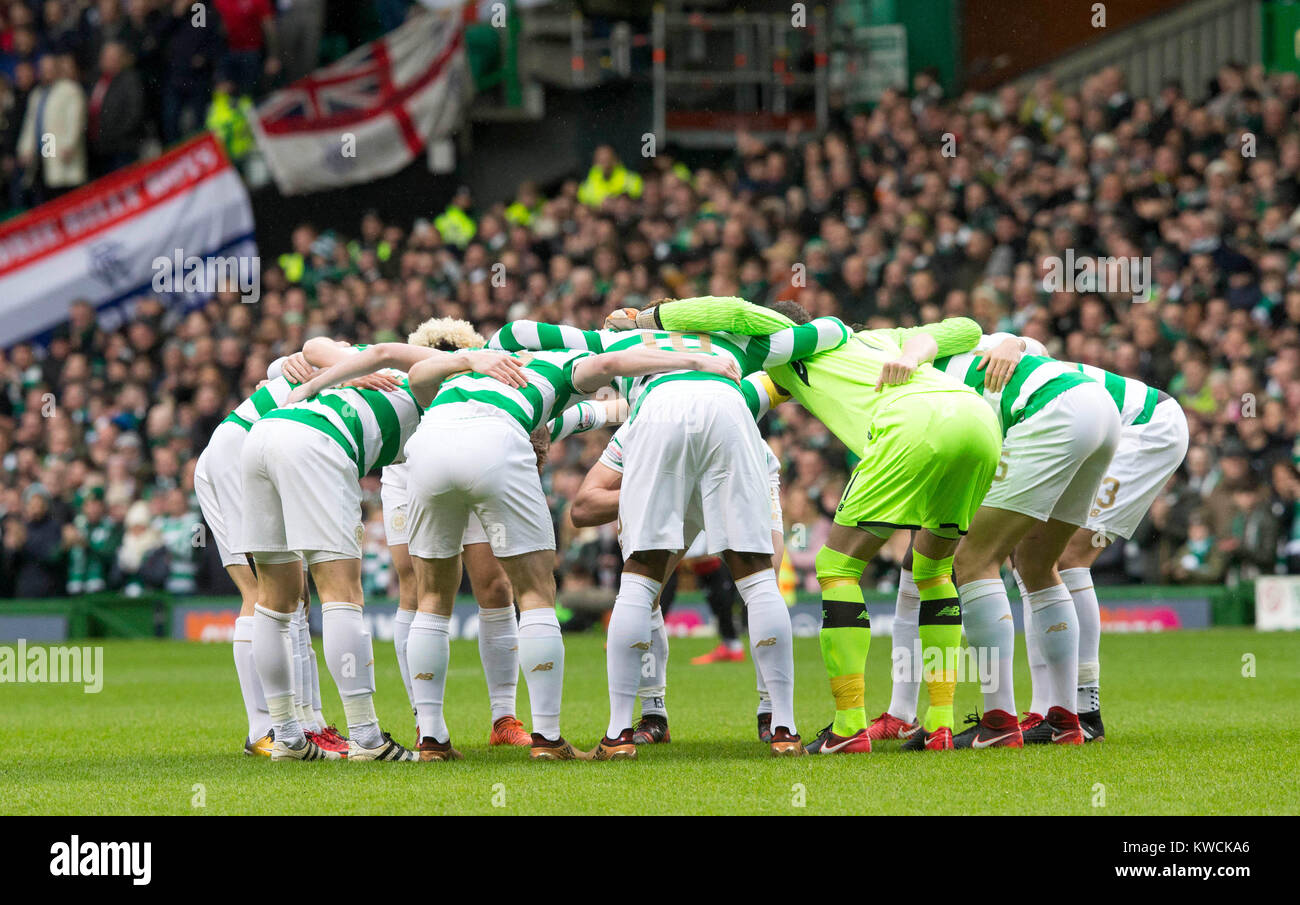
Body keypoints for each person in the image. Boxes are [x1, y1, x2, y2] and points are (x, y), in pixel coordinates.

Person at [291, 338, 740, 761]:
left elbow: (420, 374)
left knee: (430, 597)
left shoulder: (469, 372)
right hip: (495, 442)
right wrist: (695, 362)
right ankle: (546, 738)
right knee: (534, 591)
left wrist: (464, 360)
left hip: (425, 450)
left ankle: (431, 737)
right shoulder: (559, 363)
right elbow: (608, 367)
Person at [625, 296, 1001, 753]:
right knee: (934, 572)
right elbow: (964, 327)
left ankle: (849, 726)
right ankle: (940, 724)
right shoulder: (880, 340)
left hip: (910, 427)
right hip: (978, 423)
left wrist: (650, 318)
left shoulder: (790, 344)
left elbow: (735, 312)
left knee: (838, 568)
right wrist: (913, 353)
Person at [489, 308, 850, 758]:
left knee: (640, 581)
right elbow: (833, 329)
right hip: (728, 415)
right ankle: (783, 729)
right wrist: (755, 322)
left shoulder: (620, 343)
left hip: (658, 416)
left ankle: (619, 735)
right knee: (758, 579)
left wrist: (490, 360)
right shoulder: (731, 341)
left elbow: (517, 331)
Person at [240, 336, 524, 761]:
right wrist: (469, 358)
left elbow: (322, 347)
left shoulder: (391, 379)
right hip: (317, 444)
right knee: (341, 595)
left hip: (263, 437)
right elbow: (380, 353)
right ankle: (367, 738)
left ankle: (285, 736)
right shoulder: (446, 388)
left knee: (274, 602)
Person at [568, 373, 790, 746]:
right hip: (673, 472)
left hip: (734, 467)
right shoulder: (641, 424)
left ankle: (773, 713)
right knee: (646, 590)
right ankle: (654, 715)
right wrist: (648, 490)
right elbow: (583, 507)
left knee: (762, 582)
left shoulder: (680, 411)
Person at [380, 319, 530, 750]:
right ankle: (423, 717)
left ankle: (504, 718)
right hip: (409, 473)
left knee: (495, 584)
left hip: (470, 457)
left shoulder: (483, 379)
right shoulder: (401, 378)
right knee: (415, 585)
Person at [16, 53, 86, 204]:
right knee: (47, 195)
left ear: (57, 69)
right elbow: (30, 125)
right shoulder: (37, 94)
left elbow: (75, 120)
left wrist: (69, 145)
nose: (46, 73)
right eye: (43, 69)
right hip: (43, 156)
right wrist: (25, 149)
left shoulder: (70, 90)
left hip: (63, 155)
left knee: (66, 196)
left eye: (50, 68)